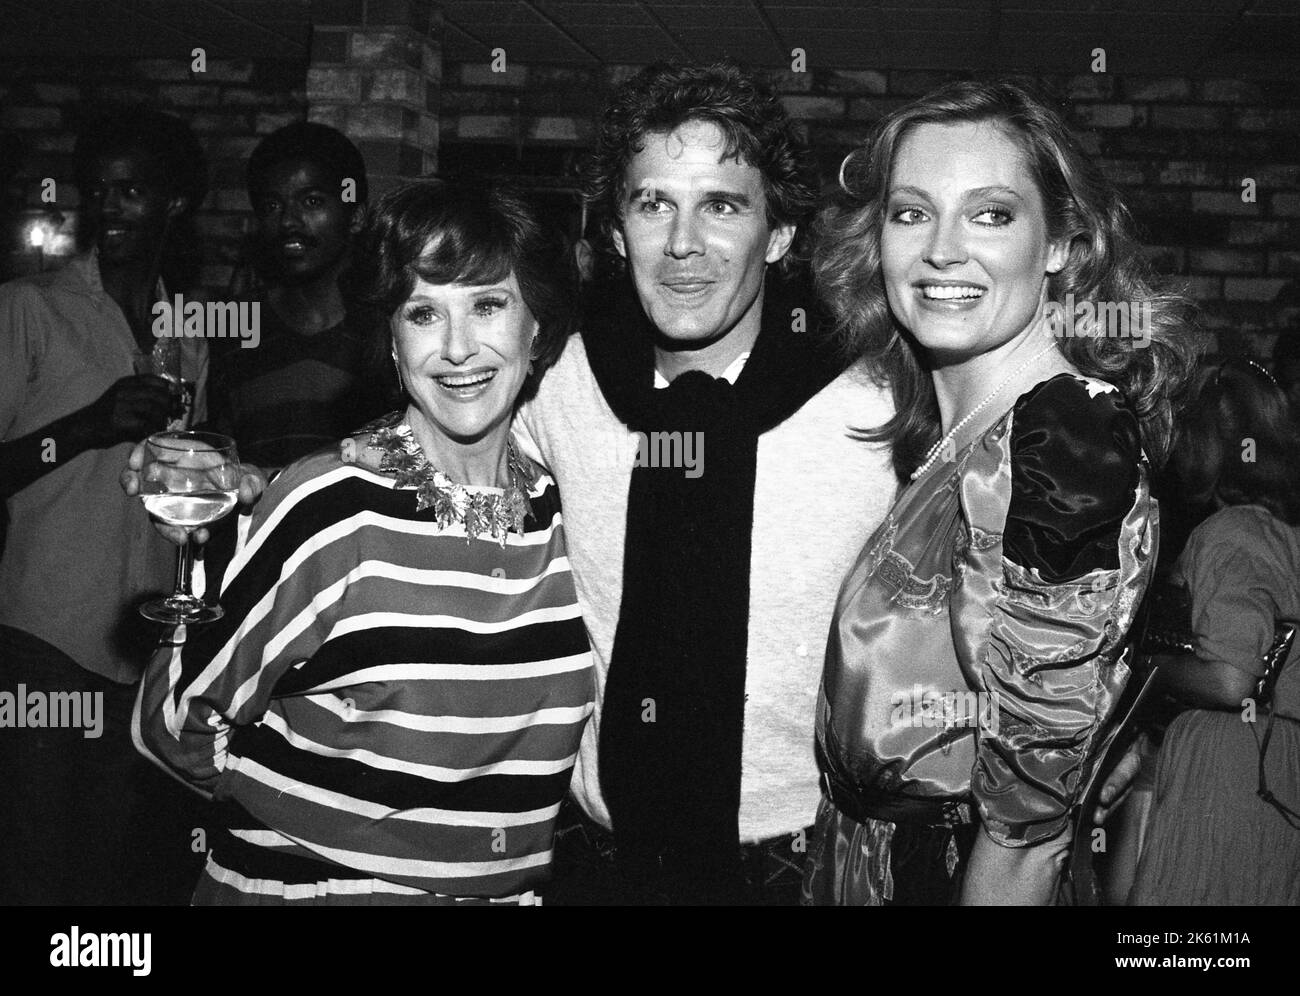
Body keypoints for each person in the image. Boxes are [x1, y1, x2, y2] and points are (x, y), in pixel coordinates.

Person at [127, 179, 594, 904]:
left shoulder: (561, 512)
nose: (458, 347)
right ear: (392, 338)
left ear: (539, 328)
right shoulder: (334, 505)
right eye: (423, 312)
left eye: (489, 305)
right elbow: (175, 719)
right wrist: (298, 820)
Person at [803, 80, 1196, 905]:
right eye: (911, 212)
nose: (942, 250)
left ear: (1060, 244)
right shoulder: (973, 431)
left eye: (990, 214)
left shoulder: (1062, 443)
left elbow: (1027, 838)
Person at [0, 105, 211, 904]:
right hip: (42, 642)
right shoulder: (27, 309)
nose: (112, 206)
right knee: (31, 868)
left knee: (111, 869)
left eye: (133, 190)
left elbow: (182, 498)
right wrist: (86, 426)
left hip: (147, 653)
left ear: (176, 203)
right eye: (100, 190)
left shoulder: (187, 334)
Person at [1129, 358, 1300, 905]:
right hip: (1274, 763)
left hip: (1228, 765)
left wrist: (1146, 664)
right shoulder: (1283, 534)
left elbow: (1231, 681)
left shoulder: (1230, 533)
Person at [208, 122, 383, 473]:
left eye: (312, 201)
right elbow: (218, 459)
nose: (289, 220)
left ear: (356, 216)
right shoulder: (235, 324)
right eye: (273, 206)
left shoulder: (387, 328)